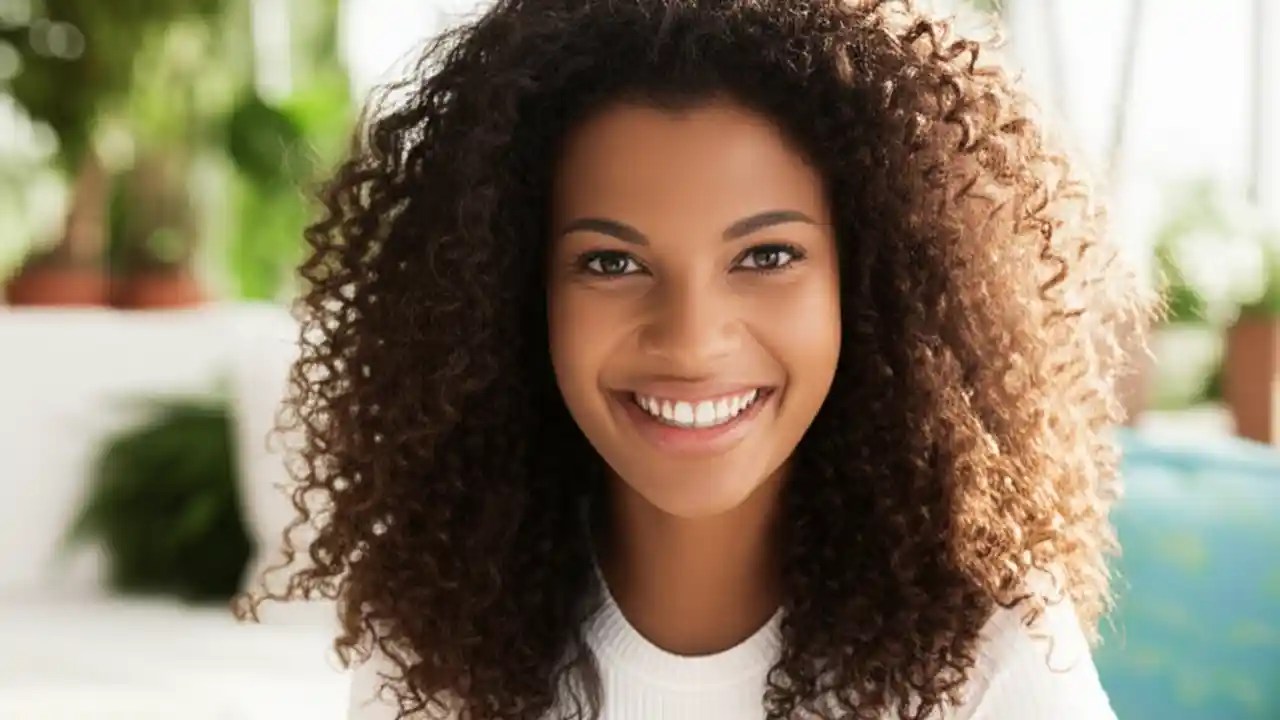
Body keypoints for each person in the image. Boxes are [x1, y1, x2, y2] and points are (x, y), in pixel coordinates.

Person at [242, 0, 1151, 717]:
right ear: (515, 297)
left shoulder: (986, 651)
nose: (690, 339)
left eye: (765, 257)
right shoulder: (445, 638)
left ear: (873, 283)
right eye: (611, 262)